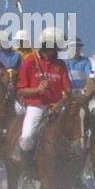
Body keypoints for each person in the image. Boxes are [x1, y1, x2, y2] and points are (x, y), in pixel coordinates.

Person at [17, 28, 72, 159]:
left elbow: (68, 90)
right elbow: (21, 91)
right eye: (56, 47)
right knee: (26, 138)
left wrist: (59, 104)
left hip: (57, 107)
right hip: (37, 106)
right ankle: (27, 170)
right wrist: (37, 90)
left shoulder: (60, 64)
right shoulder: (30, 61)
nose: (57, 51)